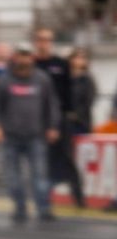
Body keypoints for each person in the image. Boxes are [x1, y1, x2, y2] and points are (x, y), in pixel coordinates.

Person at [0, 42, 61, 222]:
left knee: (39, 175)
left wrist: (53, 126)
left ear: (32, 57)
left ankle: (44, 208)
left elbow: (51, 105)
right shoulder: (4, 80)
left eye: (27, 55)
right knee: (14, 177)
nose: (24, 58)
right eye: (21, 55)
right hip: (11, 137)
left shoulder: (42, 79)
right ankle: (19, 208)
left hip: (35, 136)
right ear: (15, 58)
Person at [33, 28, 85, 207]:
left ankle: (79, 198)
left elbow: (69, 91)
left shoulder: (61, 64)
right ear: (36, 42)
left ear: (51, 42)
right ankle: (44, 200)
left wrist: (70, 114)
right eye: (40, 39)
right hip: (37, 120)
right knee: (41, 161)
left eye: (47, 39)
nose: (44, 43)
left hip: (60, 119)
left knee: (67, 158)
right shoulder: (29, 64)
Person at [68, 48, 97, 135]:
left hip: (82, 122)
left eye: (82, 58)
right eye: (76, 57)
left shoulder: (88, 79)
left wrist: (76, 114)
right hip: (66, 122)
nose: (79, 60)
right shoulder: (66, 77)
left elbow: (89, 100)